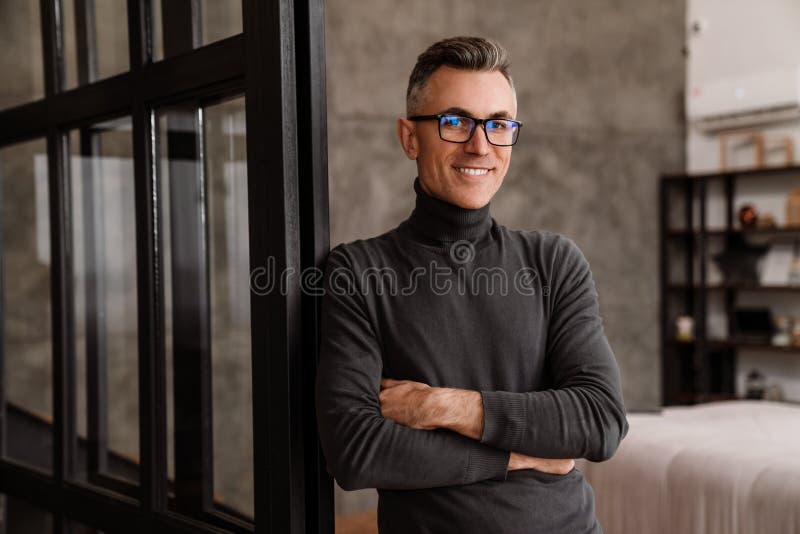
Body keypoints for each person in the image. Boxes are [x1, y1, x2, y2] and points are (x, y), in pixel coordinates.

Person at [315, 36, 629, 534]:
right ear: (409, 137)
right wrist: (523, 455)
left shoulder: (554, 262)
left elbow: (600, 420)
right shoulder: (359, 272)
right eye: (456, 121)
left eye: (499, 125)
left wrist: (440, 406)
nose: (480, 145)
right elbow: (357, 451)